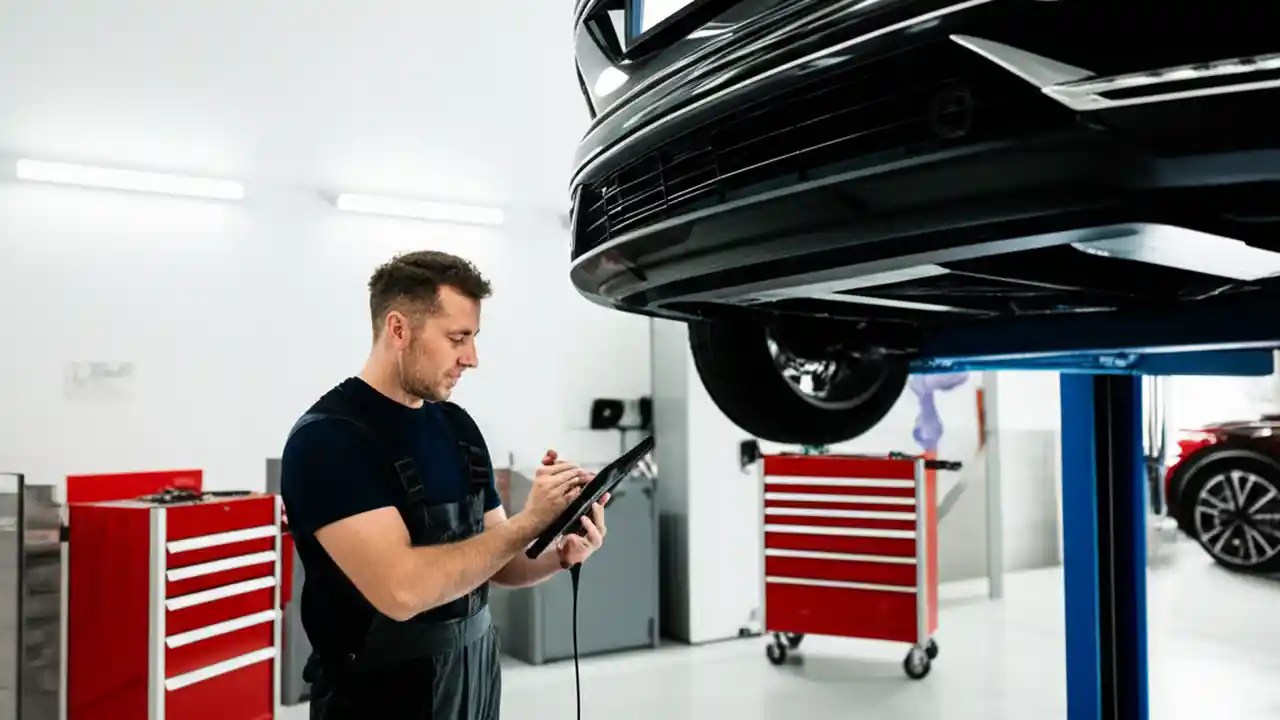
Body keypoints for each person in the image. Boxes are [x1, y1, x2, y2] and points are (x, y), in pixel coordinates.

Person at [280, 250, 609, 720]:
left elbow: (501, 563)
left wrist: (560, 551)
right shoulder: (329, 440)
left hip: (473, 677)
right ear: (398, 329)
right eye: (458, 338)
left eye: (473, 338)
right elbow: (402, 591)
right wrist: (530, 522)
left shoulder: (458, 428)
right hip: (381, 699)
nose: (471, 359)